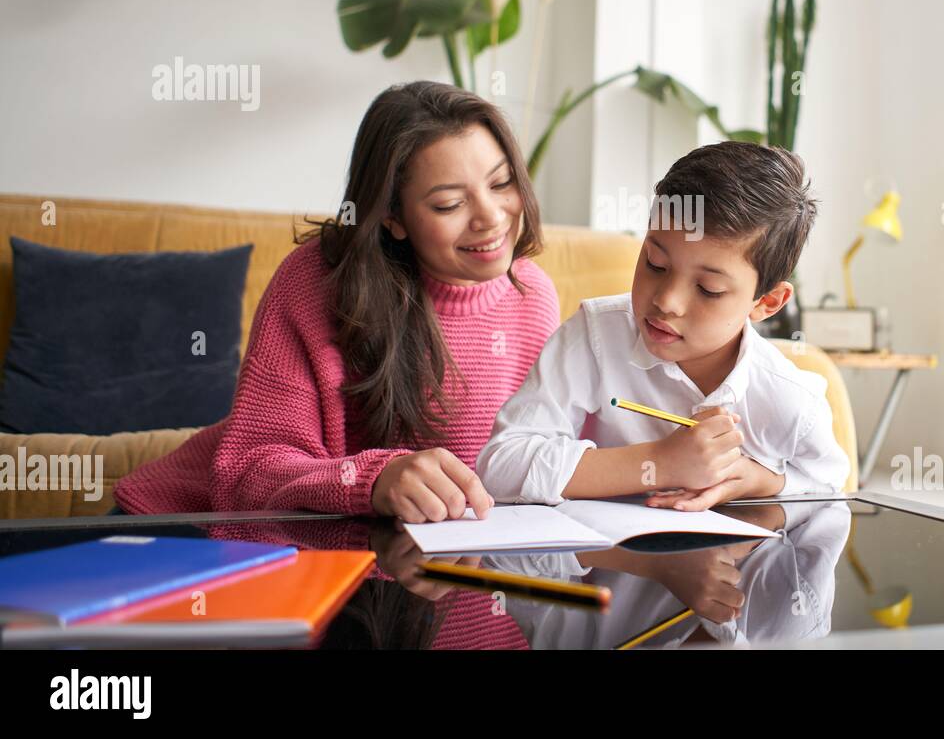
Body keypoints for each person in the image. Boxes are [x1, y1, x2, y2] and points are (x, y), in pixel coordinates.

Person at [113, 81, 558, 527]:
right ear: (393, 218)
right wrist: (375, 479)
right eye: (449, 204)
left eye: (501, 183)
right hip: (184, 531)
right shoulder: (317, 281)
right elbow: (247, 469)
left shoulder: (534, 297)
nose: (491, 217)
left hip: (394, 562)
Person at [478, 141, 849, 510]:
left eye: (708, 289)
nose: (666, 301)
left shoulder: (790, 399)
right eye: (655, 263)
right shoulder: (594, 337)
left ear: (766, 302)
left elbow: (832, 487)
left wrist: (760, 480)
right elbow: (501, 464)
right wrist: (658, 463)